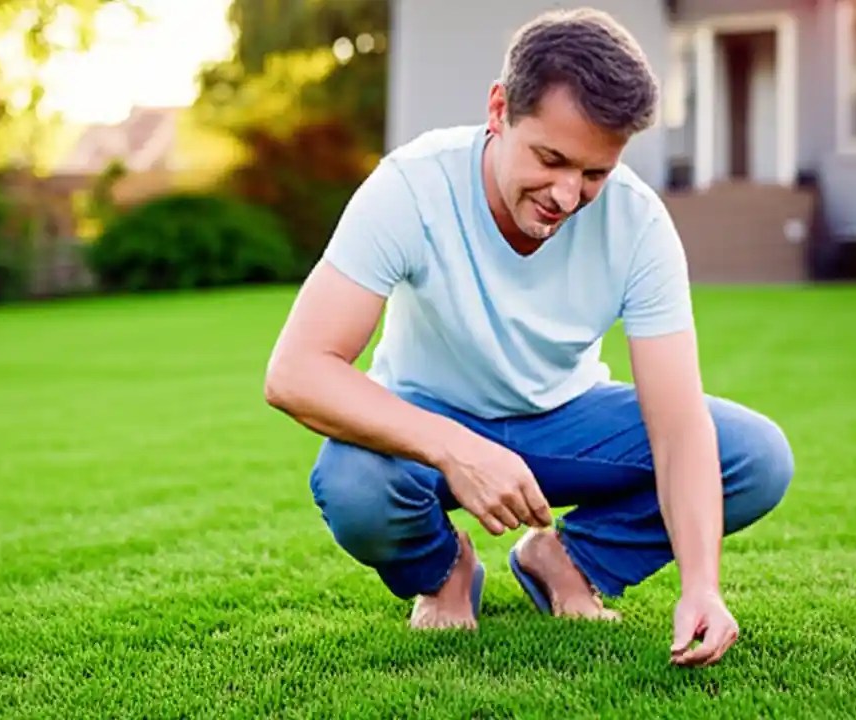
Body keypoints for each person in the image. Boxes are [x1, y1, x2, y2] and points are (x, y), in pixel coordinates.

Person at [264, 7, 794, 668]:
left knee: (753, 456)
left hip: (567, 423)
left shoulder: (639, 224)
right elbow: (296, 371)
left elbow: (680, 428)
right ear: (499, 110)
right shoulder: (412, 186)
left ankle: (567, 561)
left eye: (594, 174)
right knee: (354, 483)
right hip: (429, 419)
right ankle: (444, 571)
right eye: (551, 158)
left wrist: (702, 588)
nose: (567, 195)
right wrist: (456, 450)